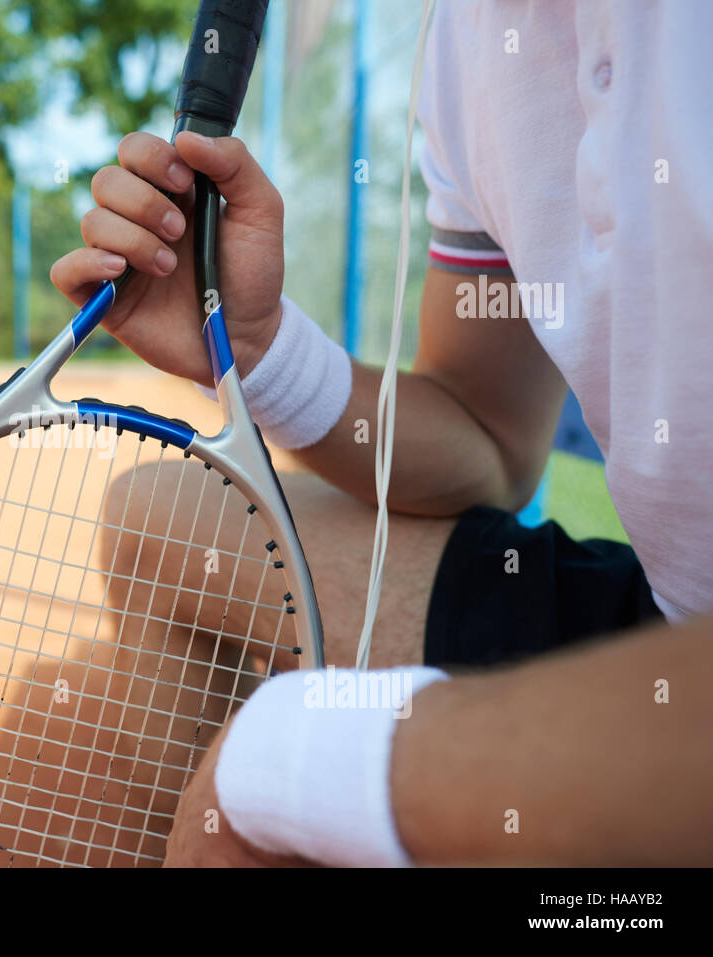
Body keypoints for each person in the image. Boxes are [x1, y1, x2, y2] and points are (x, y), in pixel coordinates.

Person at [49, 1, 713, 866]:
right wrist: (259, 348)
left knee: (263, 778)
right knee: (159, 519)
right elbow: (489, 442)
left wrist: (330, 764)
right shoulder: (472, 42)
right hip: (667, 625)